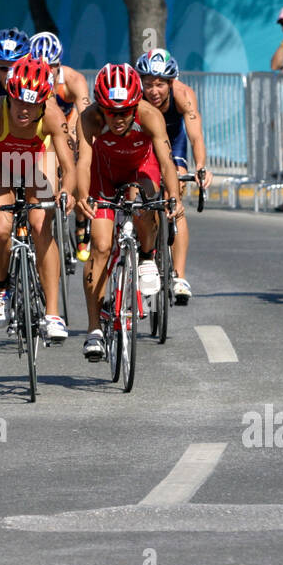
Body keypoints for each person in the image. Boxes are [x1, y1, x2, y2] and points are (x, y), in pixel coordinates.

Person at [75, 64, 183, 362]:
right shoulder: (89, 119)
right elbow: (83, 163)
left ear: (135, 106)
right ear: (100, 107)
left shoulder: (149, 115)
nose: (119, 118)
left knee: (144, 201)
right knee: (100, 246)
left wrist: (173, 196)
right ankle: (94, 329)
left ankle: (147, 256)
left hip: (141, 169)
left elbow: (165, 160)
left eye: (125, 112)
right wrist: (82, 195)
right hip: (104, 175)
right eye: (112, 112)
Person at [0, 55, 76, 342]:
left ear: (43, 101)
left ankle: (53, 313)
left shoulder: (54, 115)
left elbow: (69, 167)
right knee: (0, 229)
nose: (24, 109)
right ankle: (1, 286)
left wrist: (66, 190)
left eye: (32, 104)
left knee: (41, 225)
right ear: (9, 95)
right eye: (18, 101)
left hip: (38, 164)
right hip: (1, 164)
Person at [134, 49, 210, 304]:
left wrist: (200, 167)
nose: (154, 91)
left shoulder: (183, 95)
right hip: (145, 144)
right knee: (143, 192)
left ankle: (179, 275)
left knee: (174, 199)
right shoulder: (135, 97)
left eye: (159, 84)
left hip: (174, 142)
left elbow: (196, 135)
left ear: (170, 83)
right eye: (148, 84)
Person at [31, 31, 92, 260]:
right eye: (41, 65)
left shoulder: (73, 80)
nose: (48, 71)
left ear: (60, 63)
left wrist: (75, 137)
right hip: (44, 131)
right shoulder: (29, 77)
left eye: (53, 66)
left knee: (75, 164)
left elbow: (84, 114)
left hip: (69, 126)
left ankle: (80, 221)